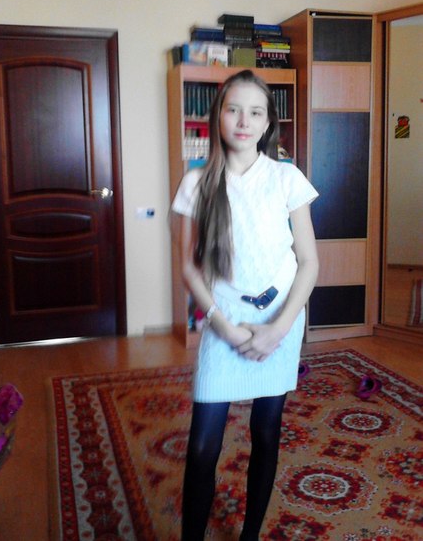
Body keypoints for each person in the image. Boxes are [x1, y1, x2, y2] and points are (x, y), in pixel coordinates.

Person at [171, 69, 319, 540]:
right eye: (233, 109)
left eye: (255, 112)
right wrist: (223, 326)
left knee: (266, 432)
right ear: (218, 116)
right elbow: (190, 267)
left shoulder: (287, 178)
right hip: (225, 322)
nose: (243, 121)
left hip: (280, 320)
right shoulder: (197, 183)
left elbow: (309, 262)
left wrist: (278, 329)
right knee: (201, 448)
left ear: (268, 122)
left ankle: (250, 535)